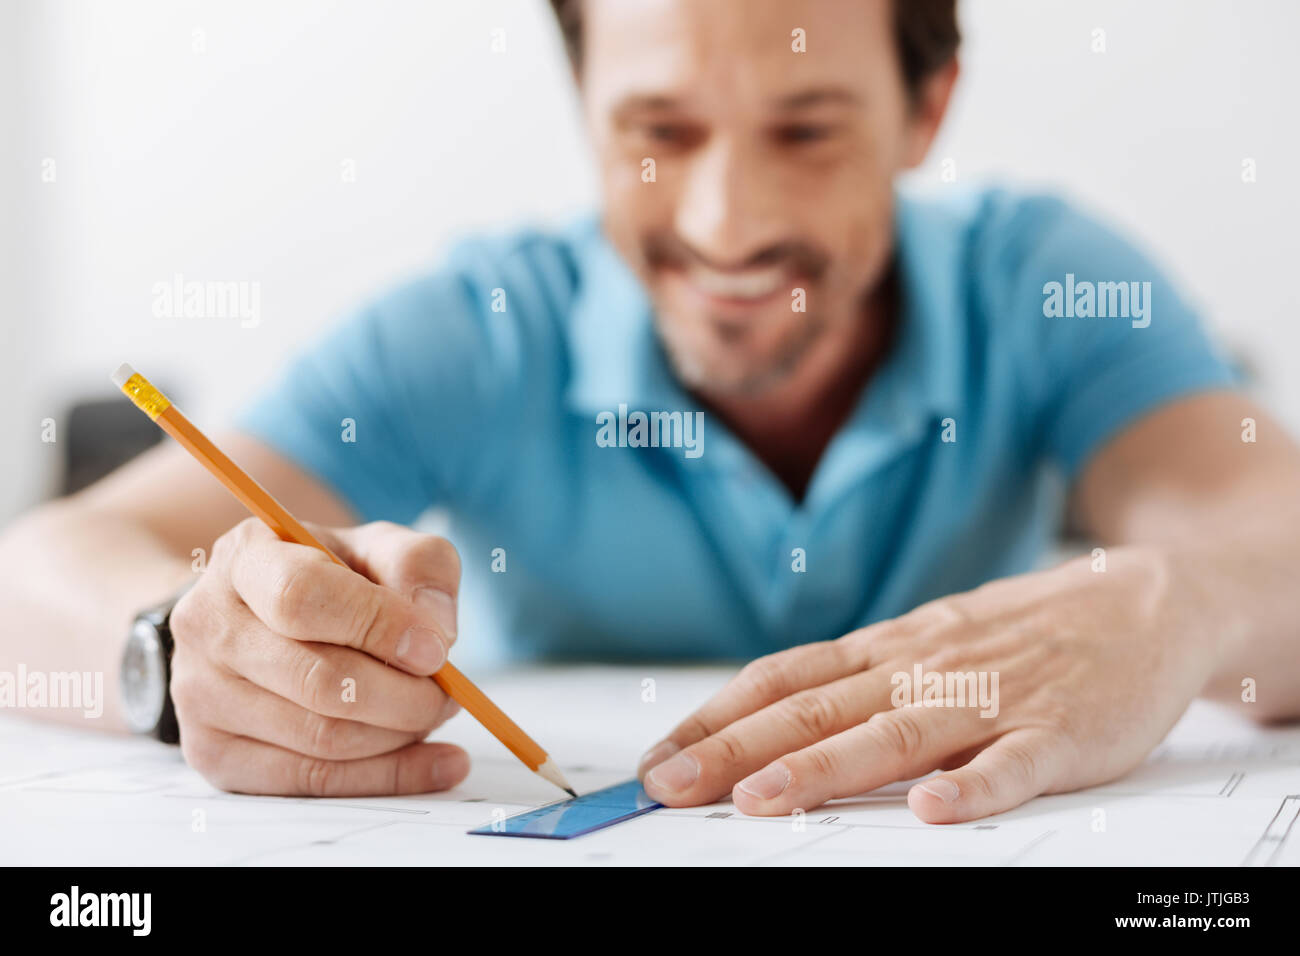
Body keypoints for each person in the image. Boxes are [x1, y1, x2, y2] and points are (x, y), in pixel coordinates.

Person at [3, 0, 1298, 825]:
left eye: (805, 131)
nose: (727, 222)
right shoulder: (477, 324)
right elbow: (27, 580)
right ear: (584, 108)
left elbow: (1271, 537)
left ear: (928, 109)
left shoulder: (1049, 284)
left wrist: (1176, 603)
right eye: (660, 132)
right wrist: (174, 655)